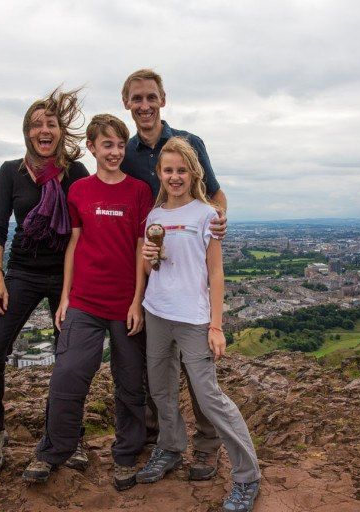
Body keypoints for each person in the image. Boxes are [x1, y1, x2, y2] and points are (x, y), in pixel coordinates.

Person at [22, 114, 153, 491]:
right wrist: (64, 297)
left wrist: (137, 301)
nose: (114, 152)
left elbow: (140, 247)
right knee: (68, 374)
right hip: (85, 300)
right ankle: (53, 450)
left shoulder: (139, 191)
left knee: (129, 383)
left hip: (124, 302)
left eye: (119, 145)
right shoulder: (79, 190)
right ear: (92, 148)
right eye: (106, 145)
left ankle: (126, 455)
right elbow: (73, 245)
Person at [137, 137, 261, 512]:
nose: (175, 177)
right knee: (161, 389)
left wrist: (216, 325)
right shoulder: (154, 217)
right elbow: (150, 269)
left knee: (209, 397)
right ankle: (171, 448)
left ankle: (246, 476)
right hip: (157, 311)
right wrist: (147, 257)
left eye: (181, 170)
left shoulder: (206, 215)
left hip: (193, 318)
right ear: (159, 173)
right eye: (168, 170)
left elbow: (216, 271)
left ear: (194, 173)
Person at [0, 88, 89, 476]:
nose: (44, 129)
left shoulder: (76, 172)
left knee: (69, 360)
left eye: (51, 123)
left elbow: (87, 230)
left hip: (66, 273)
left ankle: (68, 435)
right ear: (26, 131)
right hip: (22, 270)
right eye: (36, 124)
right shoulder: (10, 172)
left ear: (60, 130)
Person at [121, 68, 227, 480]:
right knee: (159, 373)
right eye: (136, 99)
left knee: (197, 373)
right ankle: (168, 444)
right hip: (155, 277)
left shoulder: (188, 144)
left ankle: (206, 446)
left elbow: (215, 194)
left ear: (163, 99)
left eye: (151, 97)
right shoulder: (126, 153)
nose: (144, 106)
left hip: (189, 274)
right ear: (127, 104)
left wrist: (218, 222)